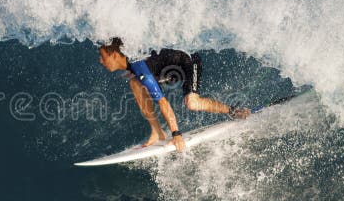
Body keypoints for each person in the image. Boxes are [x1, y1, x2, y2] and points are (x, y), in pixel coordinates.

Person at [98, 37, 250, 151]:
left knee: (192, 103)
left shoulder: (140, 69)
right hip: (169, 68)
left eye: (103, 56)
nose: (100, 61)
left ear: (114, 55)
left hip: (189, 61)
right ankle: (157, 132)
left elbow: (163, 102)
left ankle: (234, 111)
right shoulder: (133, 63)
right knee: (135, 82)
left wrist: (176, 134)